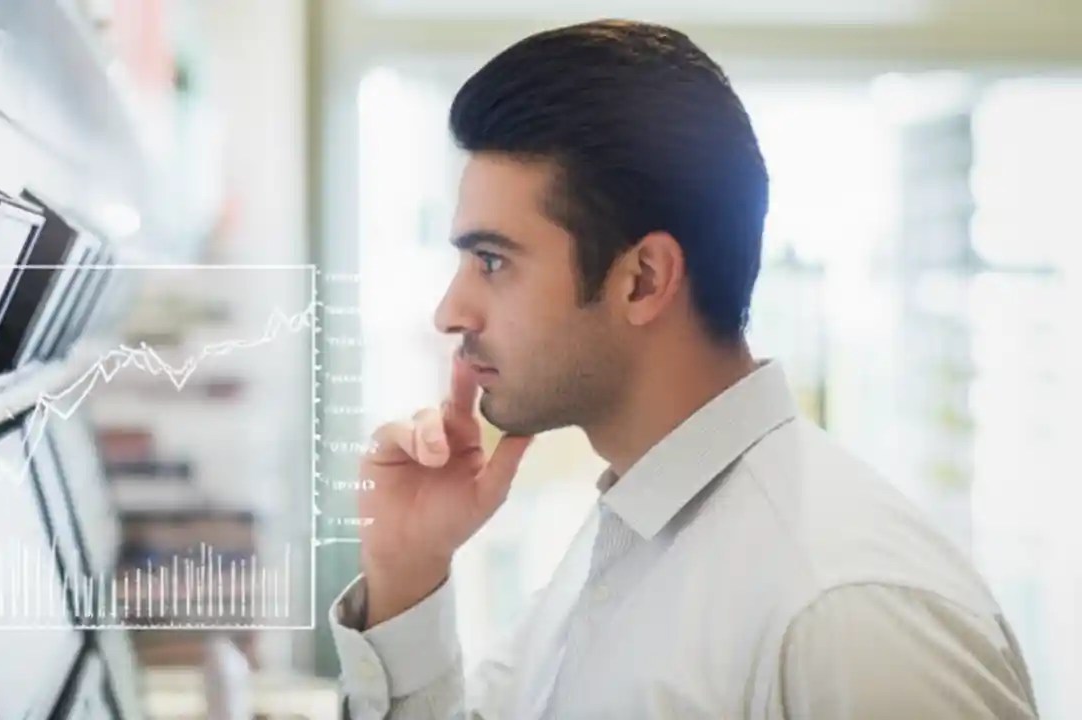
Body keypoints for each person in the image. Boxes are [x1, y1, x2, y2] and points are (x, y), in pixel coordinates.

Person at [329, 19, 1038, 719]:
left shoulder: (848, 608)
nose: (450, 311)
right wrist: (407, 572)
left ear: (642, 279)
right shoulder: (618, 547)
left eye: (492, 261)